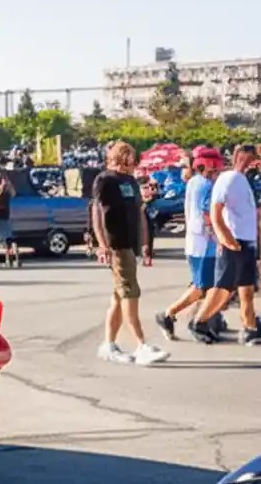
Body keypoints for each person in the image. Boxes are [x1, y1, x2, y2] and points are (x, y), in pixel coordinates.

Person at [93, 141, 168, 365]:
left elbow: (139, 212)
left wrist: (145, 243)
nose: (130, 161)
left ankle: (109, 344)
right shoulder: (105, 180)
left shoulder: (131, 182)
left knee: (119, 296)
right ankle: (141, 345)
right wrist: (102, 244)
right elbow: (97, 212)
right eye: (125, 157)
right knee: (129, 293)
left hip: (130, 244)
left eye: (131, 157)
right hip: (116, 244)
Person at [188, 145, 259, 345]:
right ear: (236, 156)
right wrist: (223, 236)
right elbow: (215, 209)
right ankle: (199, 322)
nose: (248, 161)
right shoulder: (227, 178)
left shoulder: (243, 180)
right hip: (234, 241)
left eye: (251, 158)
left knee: (247, 287)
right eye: (244, 157)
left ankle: (250, 327)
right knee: (223, 288)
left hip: (247, 241)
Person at [156, 146, 224, 340]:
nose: (217, 171)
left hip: (195, 242)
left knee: (206, 286)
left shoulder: (194, 182)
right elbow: (208, 215)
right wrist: (220, 238)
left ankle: (202, 322)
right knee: (202, 287)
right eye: (215, 168)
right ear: (207, 166)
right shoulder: (207, 185)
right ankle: (169, 314)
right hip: (205, 244)